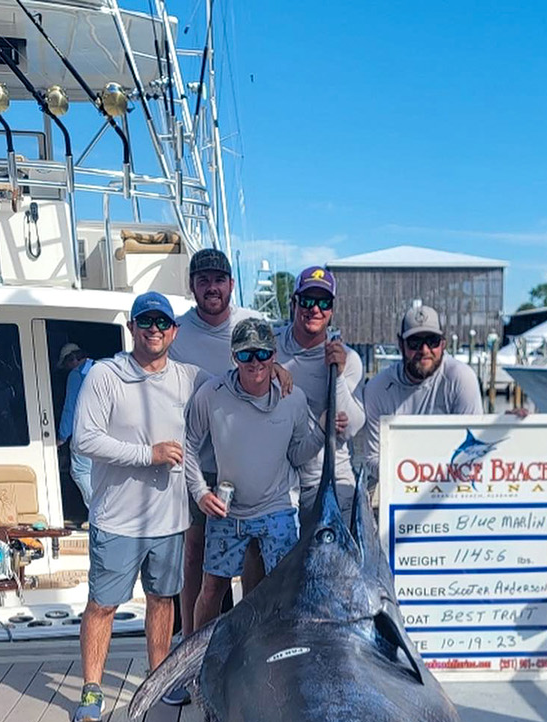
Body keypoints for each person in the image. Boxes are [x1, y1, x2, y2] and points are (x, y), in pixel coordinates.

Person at [72, 292, 199, 722]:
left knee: (163, 601)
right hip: (117, 519)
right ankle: (91, 689)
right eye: (145, 321)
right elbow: (85, 439)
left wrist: (273, 367)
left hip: (169, 519)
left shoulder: (188, 378)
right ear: (132, 328)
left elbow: (236, 381)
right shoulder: (105, 375)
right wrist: (149, 454)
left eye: (163, 323)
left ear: (174, 331)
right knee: (102, 605)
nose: (154, 330)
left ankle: (160, 678)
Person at [182, 316, 324, 644]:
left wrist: (322, 435)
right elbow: (188, 444)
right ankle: (195, 661)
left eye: (262, 354)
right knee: (213, 587)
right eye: (245, 355)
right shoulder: (211, 394)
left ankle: (273, 662)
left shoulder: (294, 398)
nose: (255, 362)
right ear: (234, 357)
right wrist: (201, 492)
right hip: (227, 511)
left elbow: (298, 455)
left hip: (276, 509)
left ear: (274, 356)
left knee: (280, 588)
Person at [170, 247, 280, 631]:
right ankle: (190, 648)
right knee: (196, 559)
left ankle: (245, 646)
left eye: (219, 280)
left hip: (248, 467)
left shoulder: (254, 320)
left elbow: (279, 357)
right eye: (203, 281)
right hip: (201, 466)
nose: (212, 287)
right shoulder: (176, 333)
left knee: (253, 557)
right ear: (192, 286)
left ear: (231, 285)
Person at [357, 303, 484, 480]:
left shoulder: (462, 378)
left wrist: (514, 426)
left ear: (443, 343)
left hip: (449, 481)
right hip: (396, 482)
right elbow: (372, 458)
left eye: (432, 342)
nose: (424, 350)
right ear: (401, 344)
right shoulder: (377, 388)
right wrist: (411, 476)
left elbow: (473, 451)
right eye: (415, 342)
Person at [274, 264, 364, 512]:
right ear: (294, 303)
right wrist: (266, 367)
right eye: (307, 301)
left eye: (323, 303)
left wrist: (339, 376)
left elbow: (350, 429)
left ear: (331, 310)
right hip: (278, 485)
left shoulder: (349, 359)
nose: (314, 309)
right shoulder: (269, 347)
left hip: (329, 484)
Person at [57, 344, 93, 524]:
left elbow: (71, 408)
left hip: (86, 433)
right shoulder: (103, 368)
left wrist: (62, 436)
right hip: (109, 433)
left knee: (80, 471)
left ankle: (97, 515)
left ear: (71, 359)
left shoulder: (76, 375)